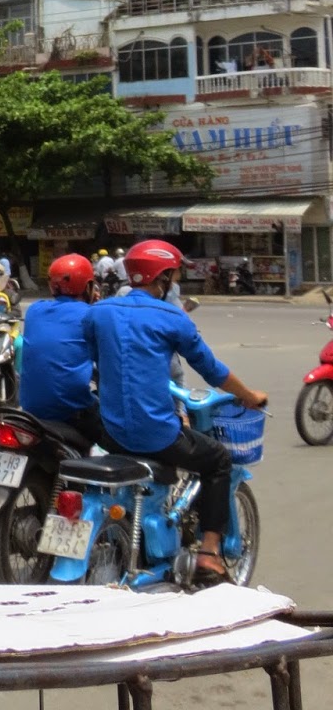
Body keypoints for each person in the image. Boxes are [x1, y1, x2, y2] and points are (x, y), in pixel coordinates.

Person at [84, 239, 268, 584]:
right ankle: (210, 554)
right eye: (174, 274)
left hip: (110, 432)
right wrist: (247, 396)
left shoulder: (100, 312)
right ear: (164, 277)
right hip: (154, 434)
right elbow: (211, 370)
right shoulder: (172, 317)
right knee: (217, 460)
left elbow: (94, 358)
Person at [19, 253, 103, 441]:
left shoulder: (35, 310)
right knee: (117, 436)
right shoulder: (92, 315)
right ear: (88, 286)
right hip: (71, 410)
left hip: (30, 408)